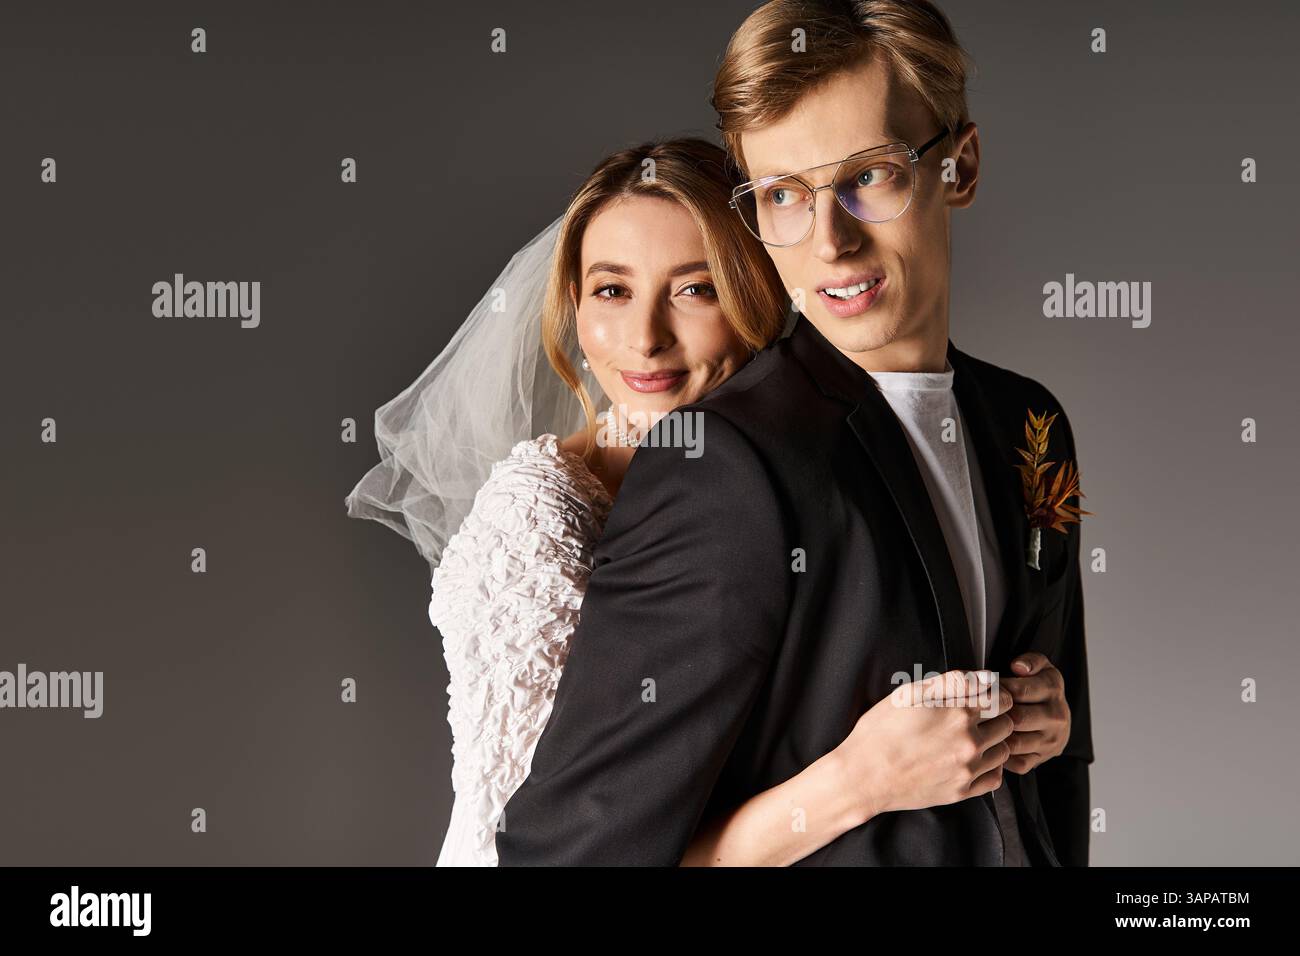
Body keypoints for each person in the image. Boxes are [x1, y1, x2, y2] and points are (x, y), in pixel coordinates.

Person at [496, 0, 1093, 866]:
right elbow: (565, 856)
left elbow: (1059, 773)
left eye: (870, 176)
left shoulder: (1032, 423)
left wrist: (1047, 719)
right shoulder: (723, 465)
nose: (831, 242)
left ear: (959, 166)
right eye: (783, 195)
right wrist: (857, 782)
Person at [348, 138, 1002, 866]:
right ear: (571, 302)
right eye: (612, 290)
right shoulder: (536, 521)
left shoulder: (793, 478)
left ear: (761, 295)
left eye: (695, 290)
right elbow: (568, 853)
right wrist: (856, 783)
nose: (645, 339)